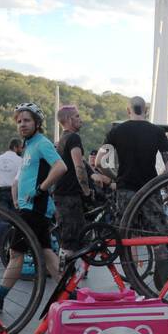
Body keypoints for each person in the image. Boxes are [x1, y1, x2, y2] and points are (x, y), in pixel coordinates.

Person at [0, 103, 67, 311]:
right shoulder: (29, 146)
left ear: (37, 123)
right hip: (31, 208)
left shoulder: (41, 143)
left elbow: (61, 166)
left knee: (16, 253)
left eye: (27, 120)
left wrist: (41, 189)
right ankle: (71, 294)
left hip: (34, 209)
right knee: (46, 253)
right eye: (19, 121)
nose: (22, 124)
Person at [105, 96, 168, 286]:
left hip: (125, 190)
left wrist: (115, 176)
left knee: (126, 238)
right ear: (146, 110)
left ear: (128, 110)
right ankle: (161, 287)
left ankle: (133, 283)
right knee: (160, 238)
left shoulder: (117, 131)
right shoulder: (157, 131)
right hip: (150, 189)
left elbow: (99, 161)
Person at [53, 105, 93, 258]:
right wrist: (87, 192)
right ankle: (64, 277)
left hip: (61, 194)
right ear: (69, 119)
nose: (80, 119)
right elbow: (79, 166)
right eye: (77, 116)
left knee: (73, 239)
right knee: (70, 242)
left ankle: (71, 276)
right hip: (69, 196)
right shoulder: (74, 138)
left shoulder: (62, 139)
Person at [0, 138, 24, 243]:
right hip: (15, 193)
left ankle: (2, 243)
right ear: (15, 147)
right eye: (20, 147)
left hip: (1, 192)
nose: (22, 150)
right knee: (15, 220)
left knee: (2, 219)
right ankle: (13, 242)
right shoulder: (20, 160)